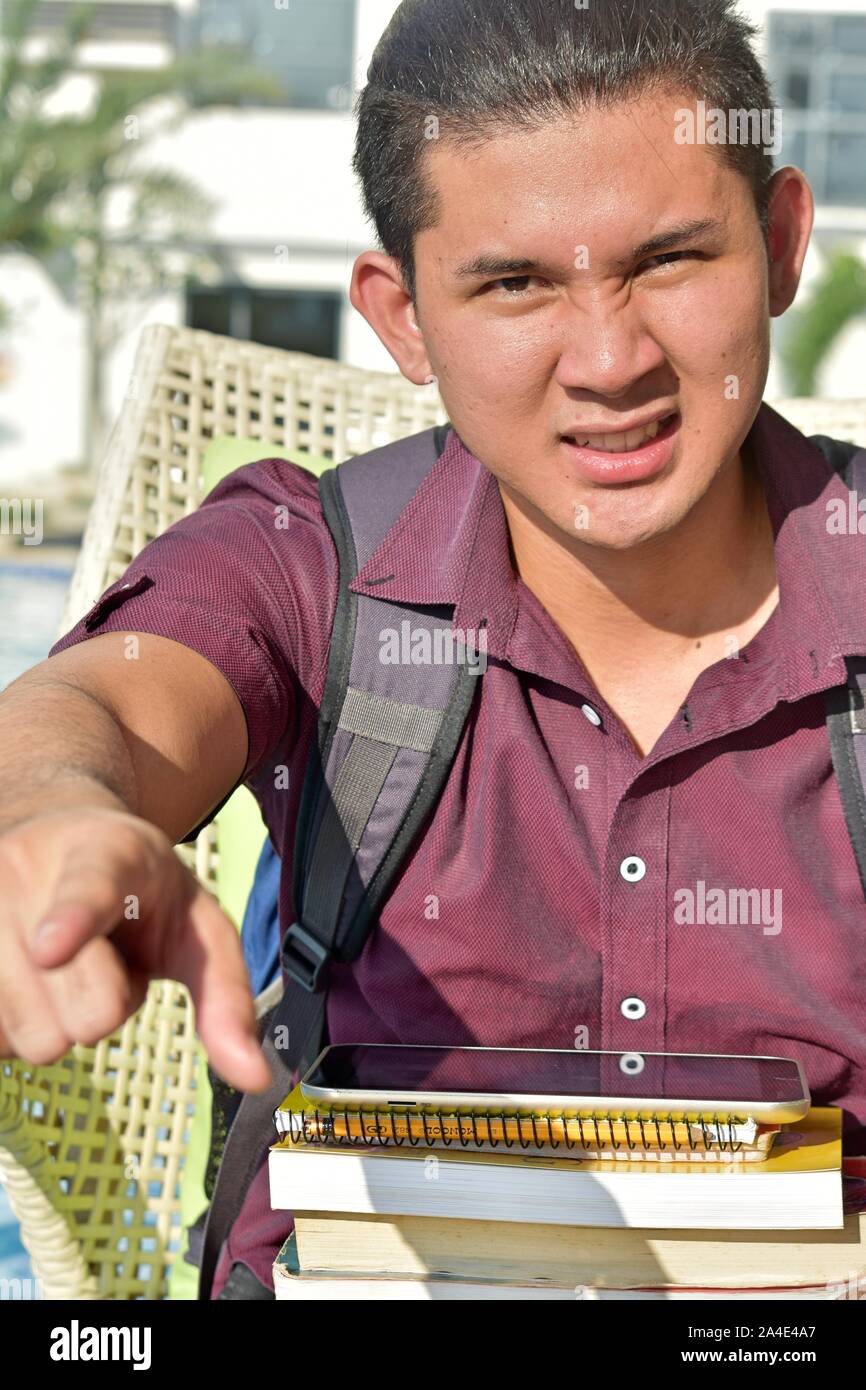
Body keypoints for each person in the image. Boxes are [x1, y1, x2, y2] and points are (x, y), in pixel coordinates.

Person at [0, 0, 863, 1300]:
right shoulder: (309, 561)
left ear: (782, 243)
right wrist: (57, 814)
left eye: (671, 260)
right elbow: (103, 705)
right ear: (400, 316)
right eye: (514, 283)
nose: (610, 359)